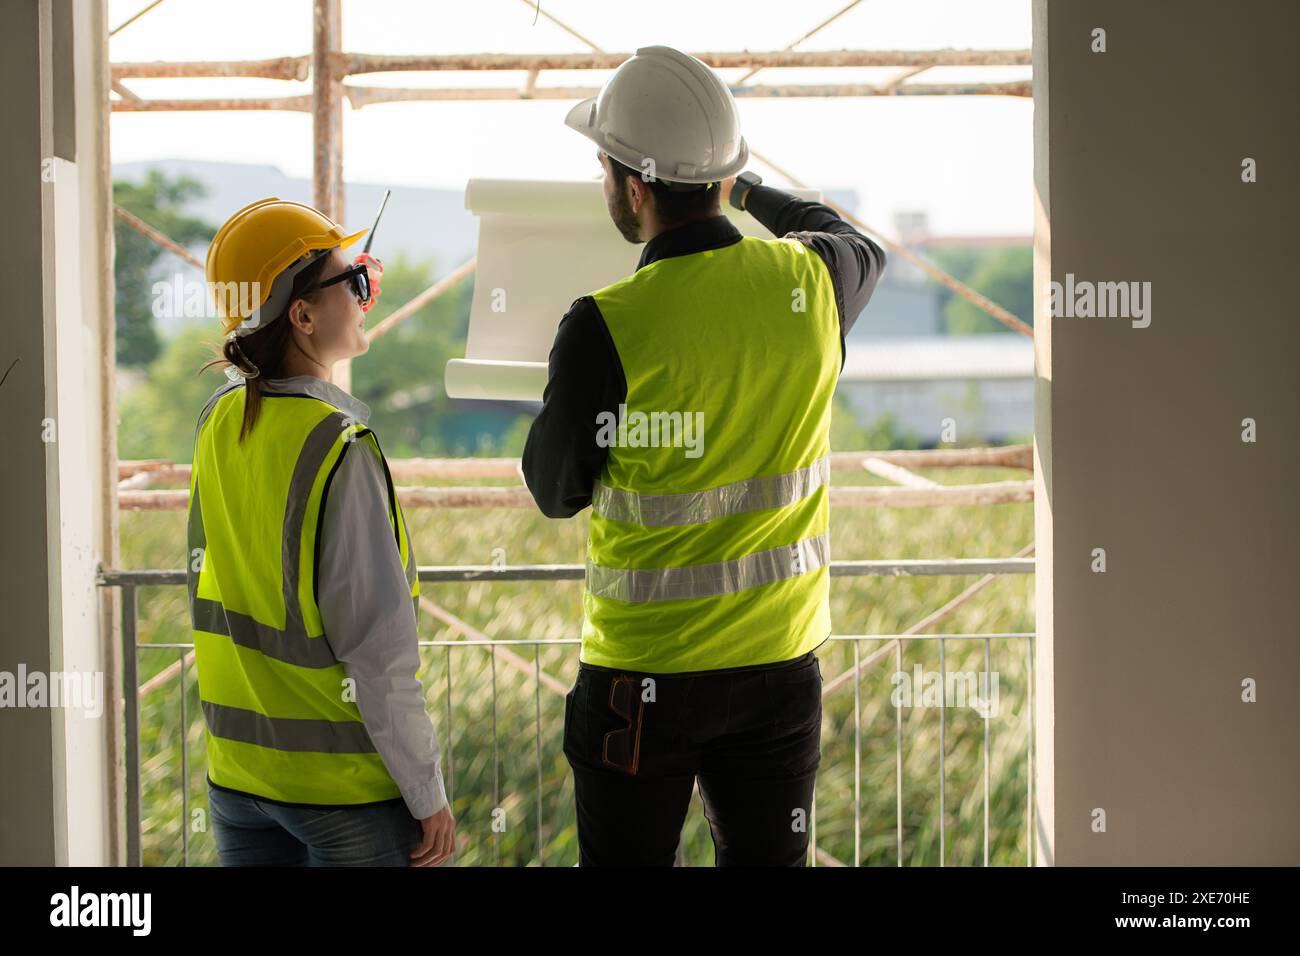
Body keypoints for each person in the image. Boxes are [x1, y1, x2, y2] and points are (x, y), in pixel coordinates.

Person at [522, 47, 887, 866]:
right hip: (778, 666)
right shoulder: (811, 285)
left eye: (604, 169)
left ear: (635, 188)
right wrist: (742, 185)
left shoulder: (605, 323)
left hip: (640, 684)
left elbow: (554, 489)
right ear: (723, 179)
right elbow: (849, 237)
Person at [188, 198, 455, 866]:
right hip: (342, 791)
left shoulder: (219, 421)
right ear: (302, 316)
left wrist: (344, 277)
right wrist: (428, 794)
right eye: (355, 281)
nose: (368, 295)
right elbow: (379, 651)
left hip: (239, 779)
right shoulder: (340, 448)